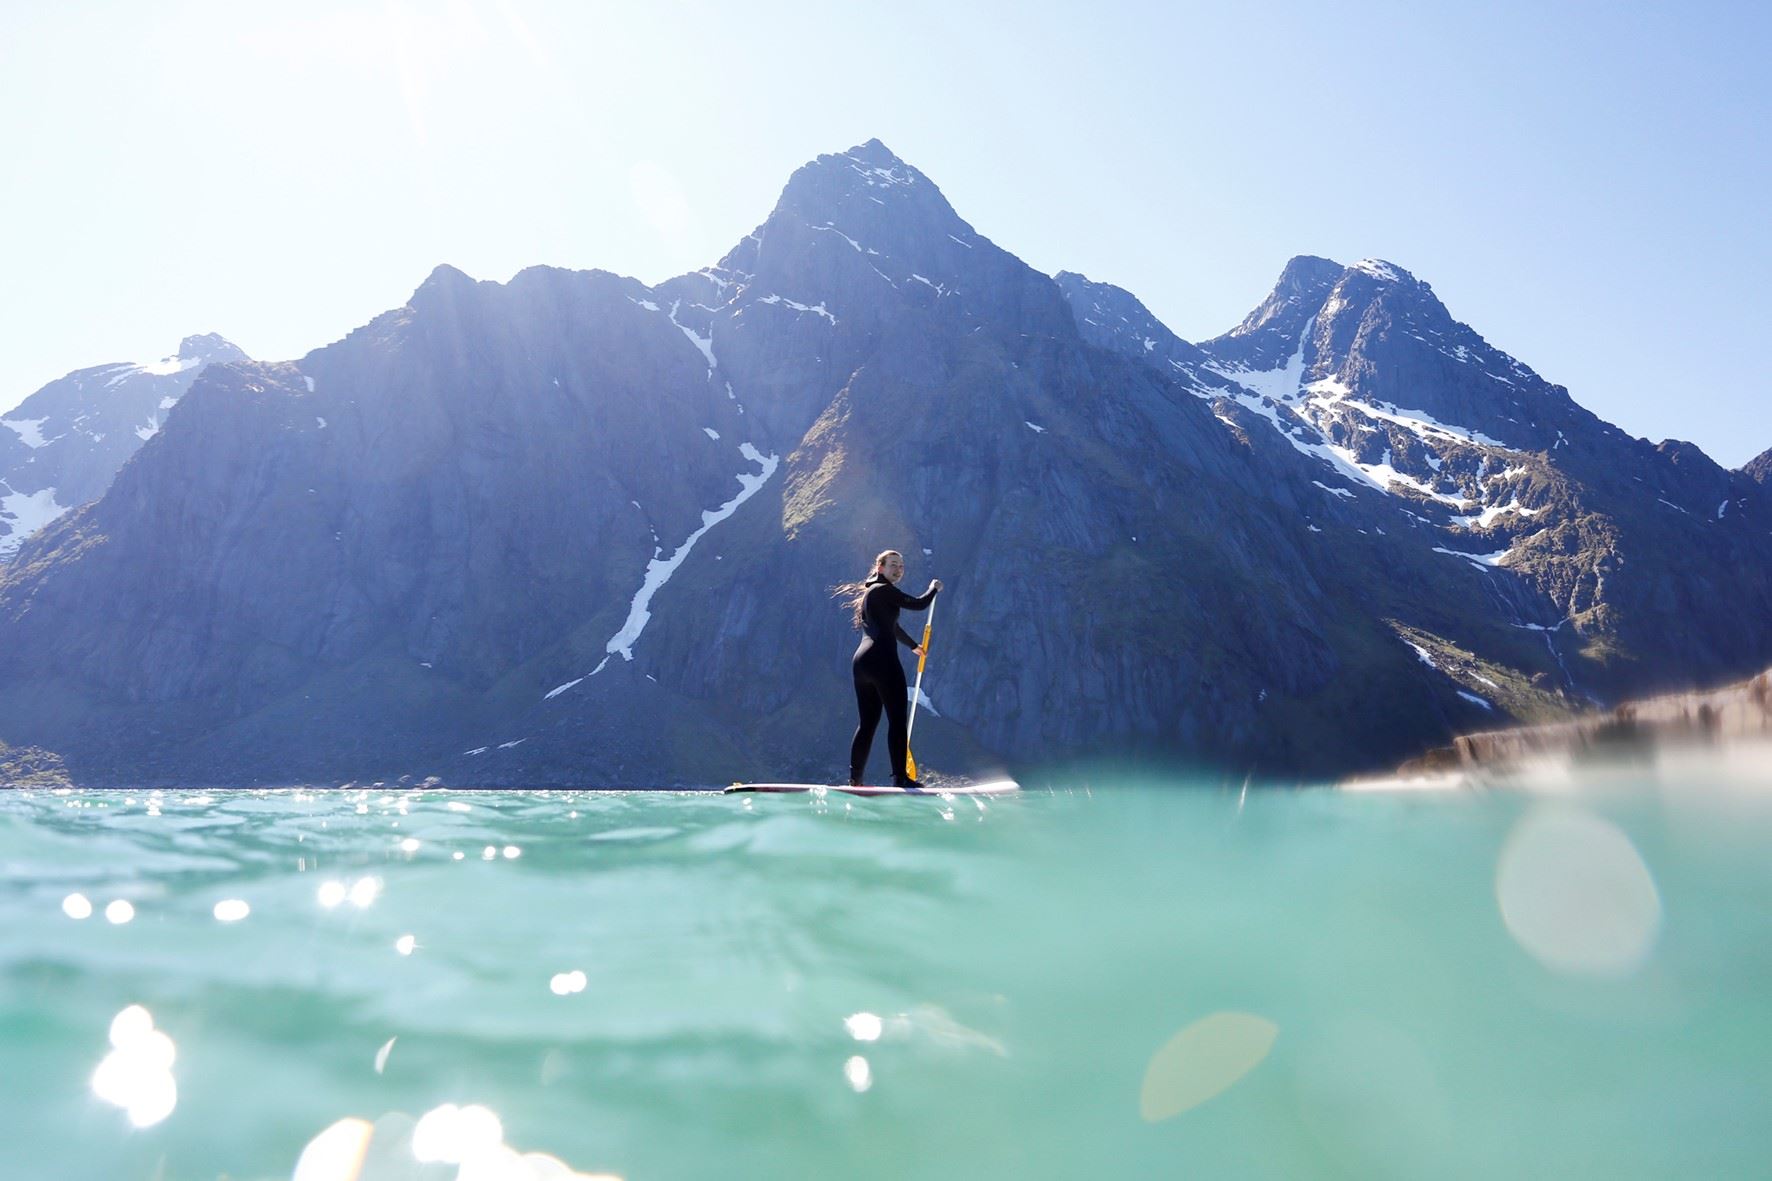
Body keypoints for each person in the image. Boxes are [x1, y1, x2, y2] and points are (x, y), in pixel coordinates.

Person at [832, 550, 941, 788]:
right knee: (897, 720)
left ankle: (855, 780)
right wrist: (933, 589)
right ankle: (900, 778)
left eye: (901, 566)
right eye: (893, 565)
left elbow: (891, 627)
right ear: (880, 567)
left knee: (868, 723)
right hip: (883, 660)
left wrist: (913, 646)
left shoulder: (872, 593)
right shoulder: (884, 590)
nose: (898, 569)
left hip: (862, 663)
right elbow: (919, 604)